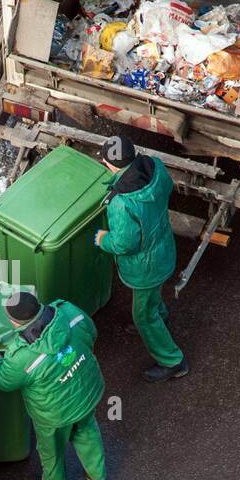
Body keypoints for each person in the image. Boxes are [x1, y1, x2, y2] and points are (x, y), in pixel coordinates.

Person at [0, 290, 106, 480]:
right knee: (87, 430)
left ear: (14, 322)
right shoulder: (70, 312)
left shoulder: (23, 355)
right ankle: (98, 476)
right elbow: (91, 332)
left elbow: (5, 382)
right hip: (86, 391)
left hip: (54, 411)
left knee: (51, 448)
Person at [93, 136, 190, 382]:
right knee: (151, 299)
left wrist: (102, 239)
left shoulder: (121, 203)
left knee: (143, 316)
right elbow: (167, 188)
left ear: (112, 165)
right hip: (163, 249)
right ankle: (161, 315)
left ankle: (172, 361)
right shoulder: (154, 166)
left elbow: (125, 244)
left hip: (144, 267)